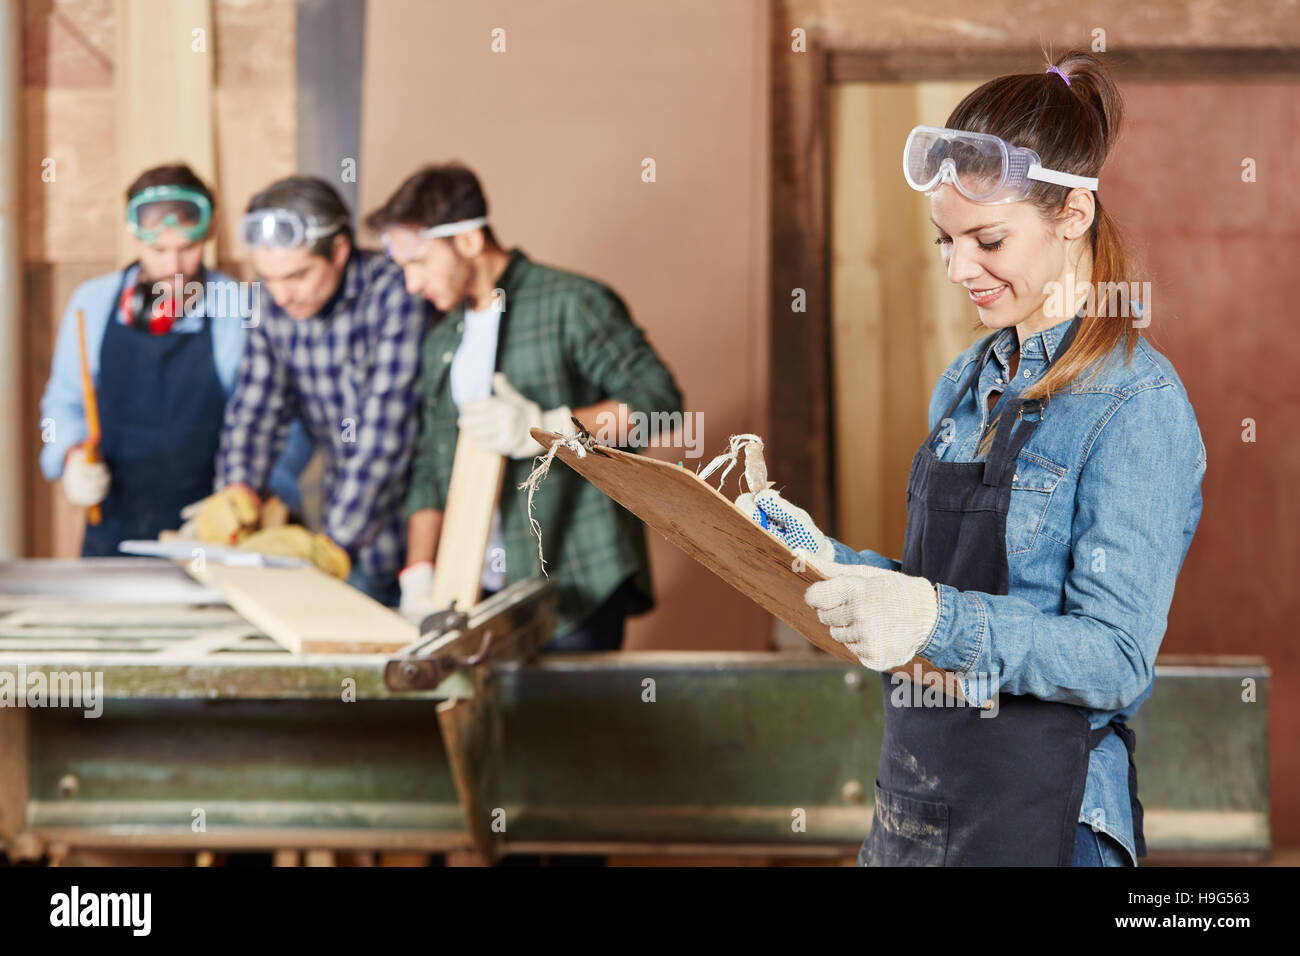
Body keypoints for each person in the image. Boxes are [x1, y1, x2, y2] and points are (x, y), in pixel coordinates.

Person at [739, 52, 1206, 867]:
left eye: (988, 240)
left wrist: (934, 622)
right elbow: (935, 589)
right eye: (946, 241)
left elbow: (1115, 658)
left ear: (1073, 214)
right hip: (920, 806)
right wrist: (821, 559)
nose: (959, 269)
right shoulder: (965, 384)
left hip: (1045, 822)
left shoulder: (1137, 408)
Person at [367, 163, 684, 650]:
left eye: (420, 263)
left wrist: (548, 427)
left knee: (569, 725)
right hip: (481, 585)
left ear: (469, 241)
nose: (411, 285)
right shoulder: (441, 341)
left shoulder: (571, 303)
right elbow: (431, 464)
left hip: (575, 569)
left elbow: (659, 403)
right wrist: (419, 571)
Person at [38, 163, 311, 554]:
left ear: (210, 234)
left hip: (217, 535)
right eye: (159, 250)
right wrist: (68, 456)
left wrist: (255, 493)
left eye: (188, 249)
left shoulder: (241, 307)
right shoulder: (91, 303)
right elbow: (60, 404)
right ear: (134, 239)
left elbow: (290, 416)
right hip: (114, 534)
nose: (174, 267)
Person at [215, 176, 429, 606]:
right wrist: (238, 487)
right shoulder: (270, 301)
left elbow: (385, 434)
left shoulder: (395, 292)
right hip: (339, 533)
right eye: (268, 278)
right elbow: (256, 407)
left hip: (413, 536)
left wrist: (335, 543)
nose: (281, 293)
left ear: (339, 250)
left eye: (296, 275)